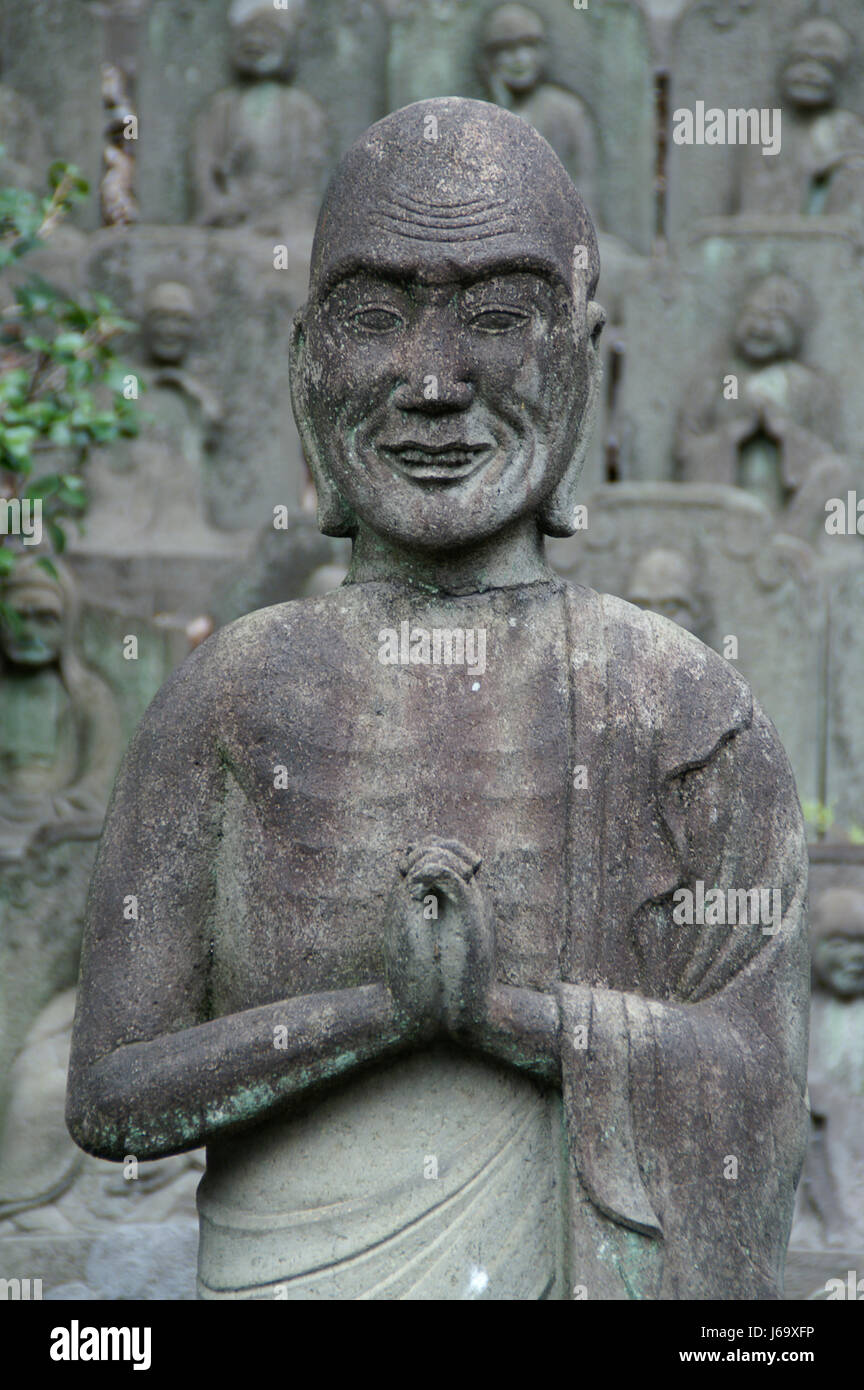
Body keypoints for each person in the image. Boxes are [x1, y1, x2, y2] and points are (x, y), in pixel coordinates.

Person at [68, 98, 808, 1300]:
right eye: (374, 317)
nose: (432, 381)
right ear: (304, 363)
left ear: (586, 357)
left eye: (501, 316)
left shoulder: (680, 706)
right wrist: (383, 1013)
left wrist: (499, 1014)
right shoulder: (231, 693)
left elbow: (755, 1085)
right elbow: (109, 1095)